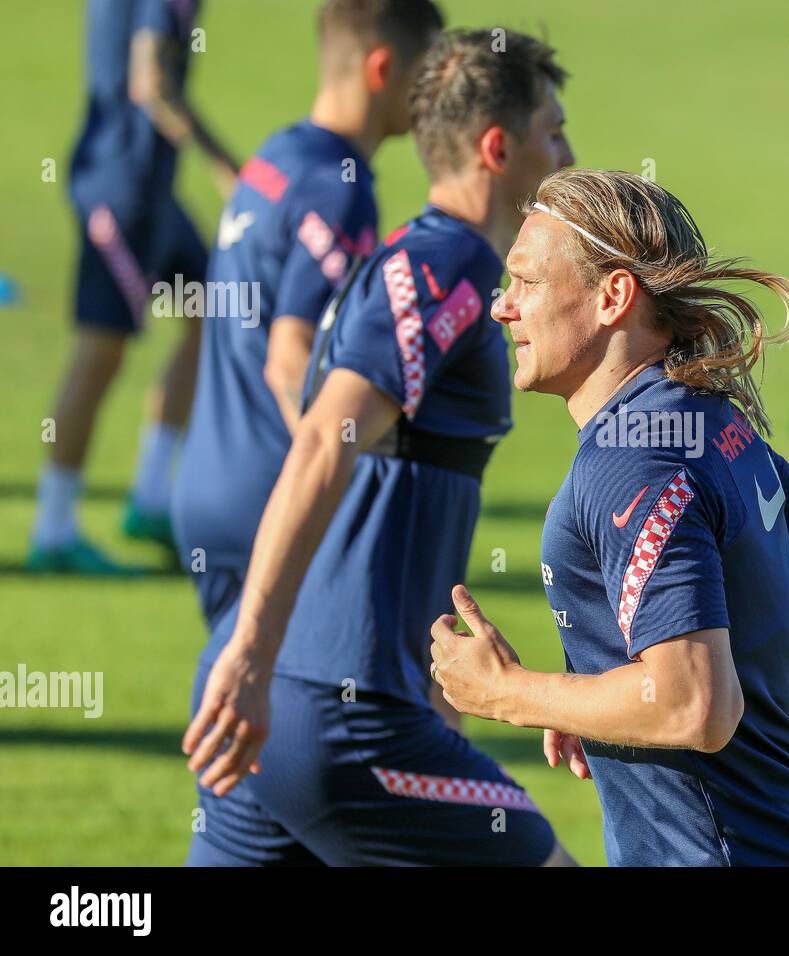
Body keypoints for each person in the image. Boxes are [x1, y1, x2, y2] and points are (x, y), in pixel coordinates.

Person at [181, 28, 576, 866]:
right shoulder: (448, 268)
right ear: (499, 148)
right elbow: (326, 436)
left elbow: (387, 480)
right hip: (336, 715)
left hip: (290, 699)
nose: (568, 153)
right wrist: (252, 659)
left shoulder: (407, 256)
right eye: (554, 130)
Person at [429, 169, 789, 866]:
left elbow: (695, 706)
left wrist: (512, 693)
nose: (501, 308)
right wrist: (607, 701)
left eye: (528, 281)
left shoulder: (630, 462)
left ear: (612, 297)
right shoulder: (707, 421)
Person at [174, 0, 440, 630]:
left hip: (208, 482)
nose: (434, 96)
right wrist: (333, 485)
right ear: (382, 68)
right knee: (331, 712)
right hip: (270, 494)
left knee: (244, 704)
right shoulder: (340, 189)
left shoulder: (276, 156)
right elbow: (289, 357)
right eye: (425, 75)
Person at [29, 0, 238, 573]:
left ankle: (150, 498)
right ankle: (53, 529)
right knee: (101, 350)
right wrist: (228, 168)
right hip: (121, 192)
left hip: (151, 195)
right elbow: (152, 82)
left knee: (213, 309)